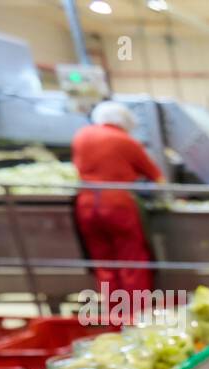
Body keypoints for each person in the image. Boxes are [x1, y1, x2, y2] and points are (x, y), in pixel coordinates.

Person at [71, 101, 163, 302]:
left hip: (85, 203)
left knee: (104, 263)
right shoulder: (126, 141)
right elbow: (157, 177)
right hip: (117, 203)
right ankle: (136, 316)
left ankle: (115, 318)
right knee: (132, 262)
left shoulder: (81, 136)